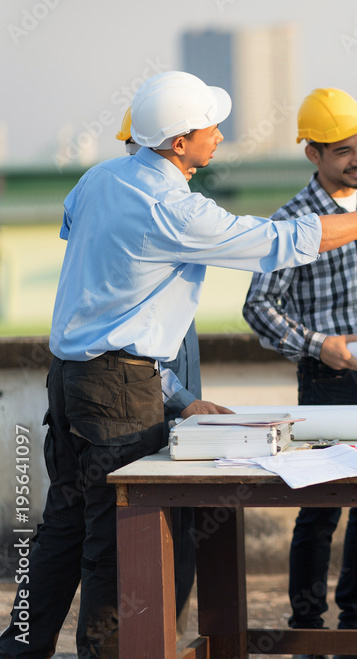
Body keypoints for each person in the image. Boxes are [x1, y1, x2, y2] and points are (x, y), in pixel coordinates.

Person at [0, 70, 357, 659]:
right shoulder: (176, 210)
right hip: (119, 391)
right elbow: (279, 242)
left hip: (73, 379)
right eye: (209, 125)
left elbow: (100, 277)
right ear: (179, 142)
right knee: (115, 541)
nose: (220, 132)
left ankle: (19, 646)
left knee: (61, 526)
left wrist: (179, 397)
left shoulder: (99, 178)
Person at [242, 88, 357, 659]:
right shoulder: (292, 222)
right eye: (343, 150)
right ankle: (308, 628)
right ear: (313, 154)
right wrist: (319, 346)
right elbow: (258, 307)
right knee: (321, 508)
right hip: (329, 383)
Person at [117, 107, 213, 640]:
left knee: (182, 536)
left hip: (170, 409)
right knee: (133, 547)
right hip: (142, 409)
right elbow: (128, 346)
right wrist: (183, 400)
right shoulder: (152, 212)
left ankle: (167, 641)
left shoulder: (133, 204)